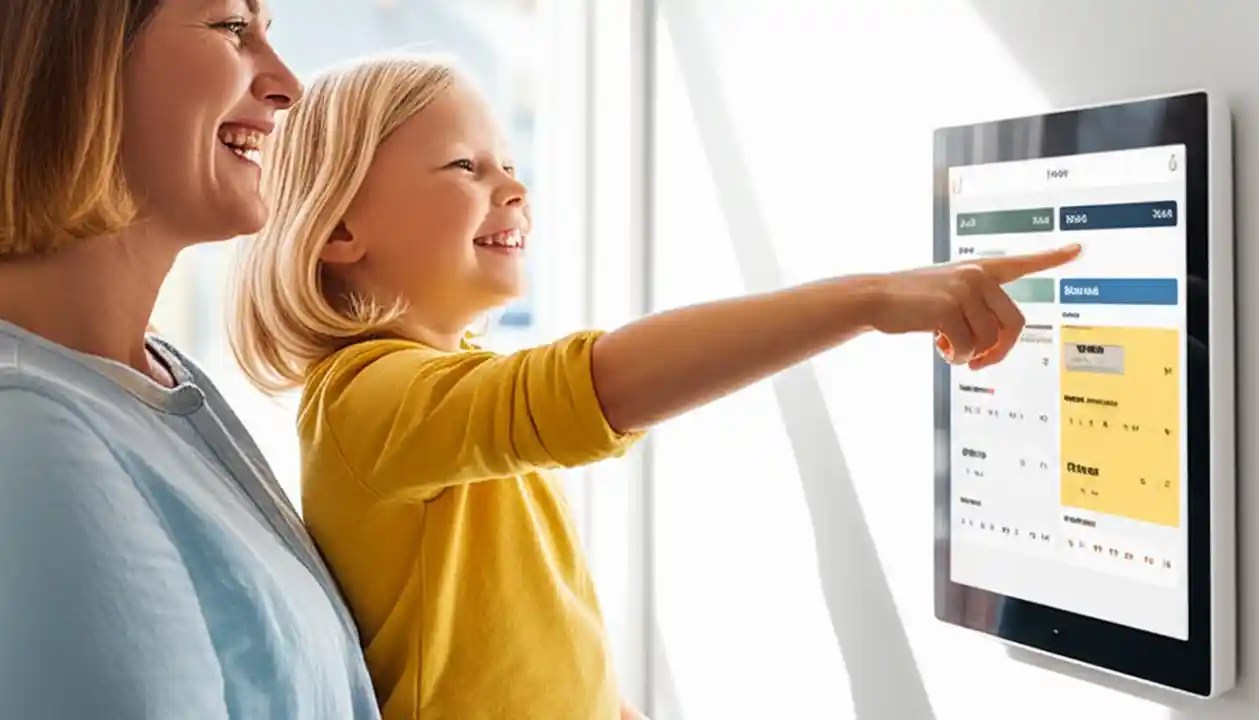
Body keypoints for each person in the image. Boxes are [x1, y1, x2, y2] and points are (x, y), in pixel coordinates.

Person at [227, 52, 1081, 720]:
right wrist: (869, 299)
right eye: (464, 167)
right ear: (339, 226)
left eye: (509, 164)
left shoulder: (447, 403)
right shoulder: (366, 401)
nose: (515, 188)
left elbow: (532, 666)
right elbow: (596, 385)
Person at [0, 2, 378, 718]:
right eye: (233, 27)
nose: (287, 85)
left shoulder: (156, 380)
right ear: (81, 54)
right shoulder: (29, 436)